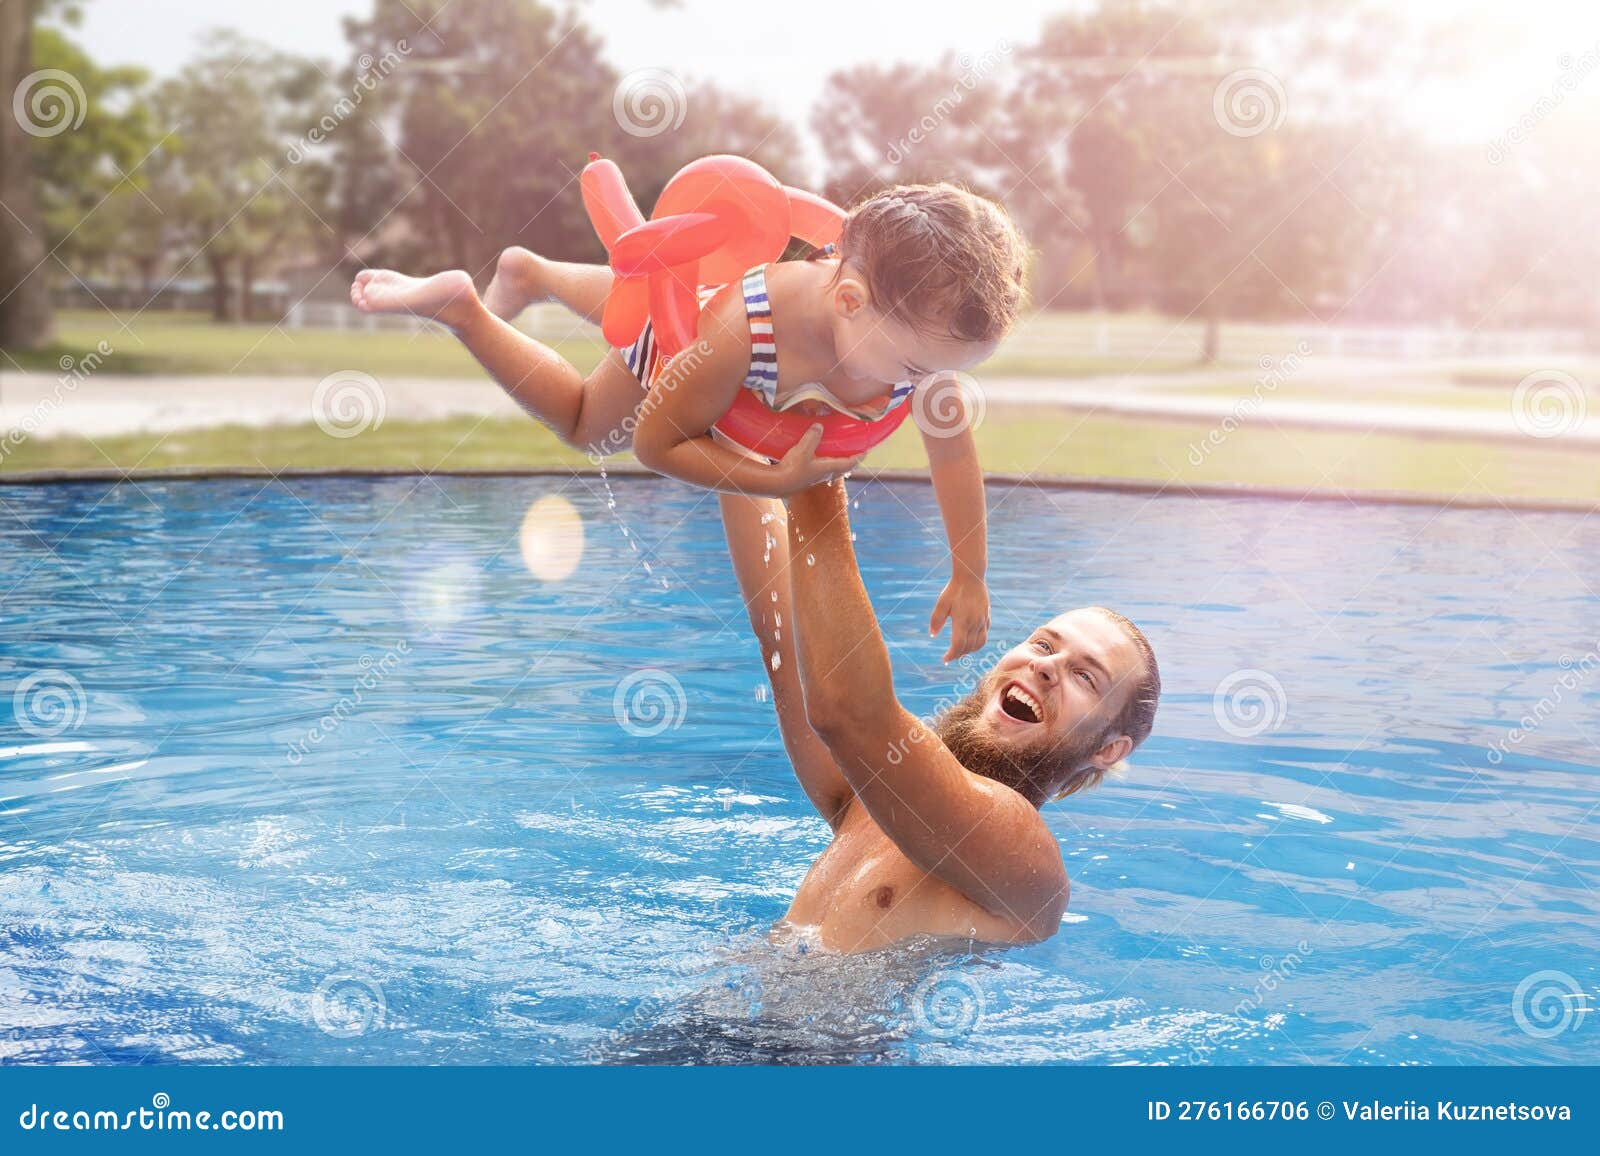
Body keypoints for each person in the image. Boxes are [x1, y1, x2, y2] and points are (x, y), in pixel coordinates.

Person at [350, 186, 1025, 756]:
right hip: (694, 350)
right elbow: (656, 444)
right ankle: (465, 311)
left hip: (750, 377)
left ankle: (531, 273)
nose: (928, 386)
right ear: (849, 301)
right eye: (916, 369)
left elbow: (952, 452)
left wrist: (970, 572)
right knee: (588, 424)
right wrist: (774, 481)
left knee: (640, 294)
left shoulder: (915, 344)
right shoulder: (747, 326)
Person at [775, 480, 1161, 952]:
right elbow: (781, 628)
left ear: (1109, 749)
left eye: (1085, 677)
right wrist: (743, 459)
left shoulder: (1025, 857)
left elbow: (846, 710)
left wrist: (819, 473)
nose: (1046, 666)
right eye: (1043, 645)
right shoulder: (869, 794)